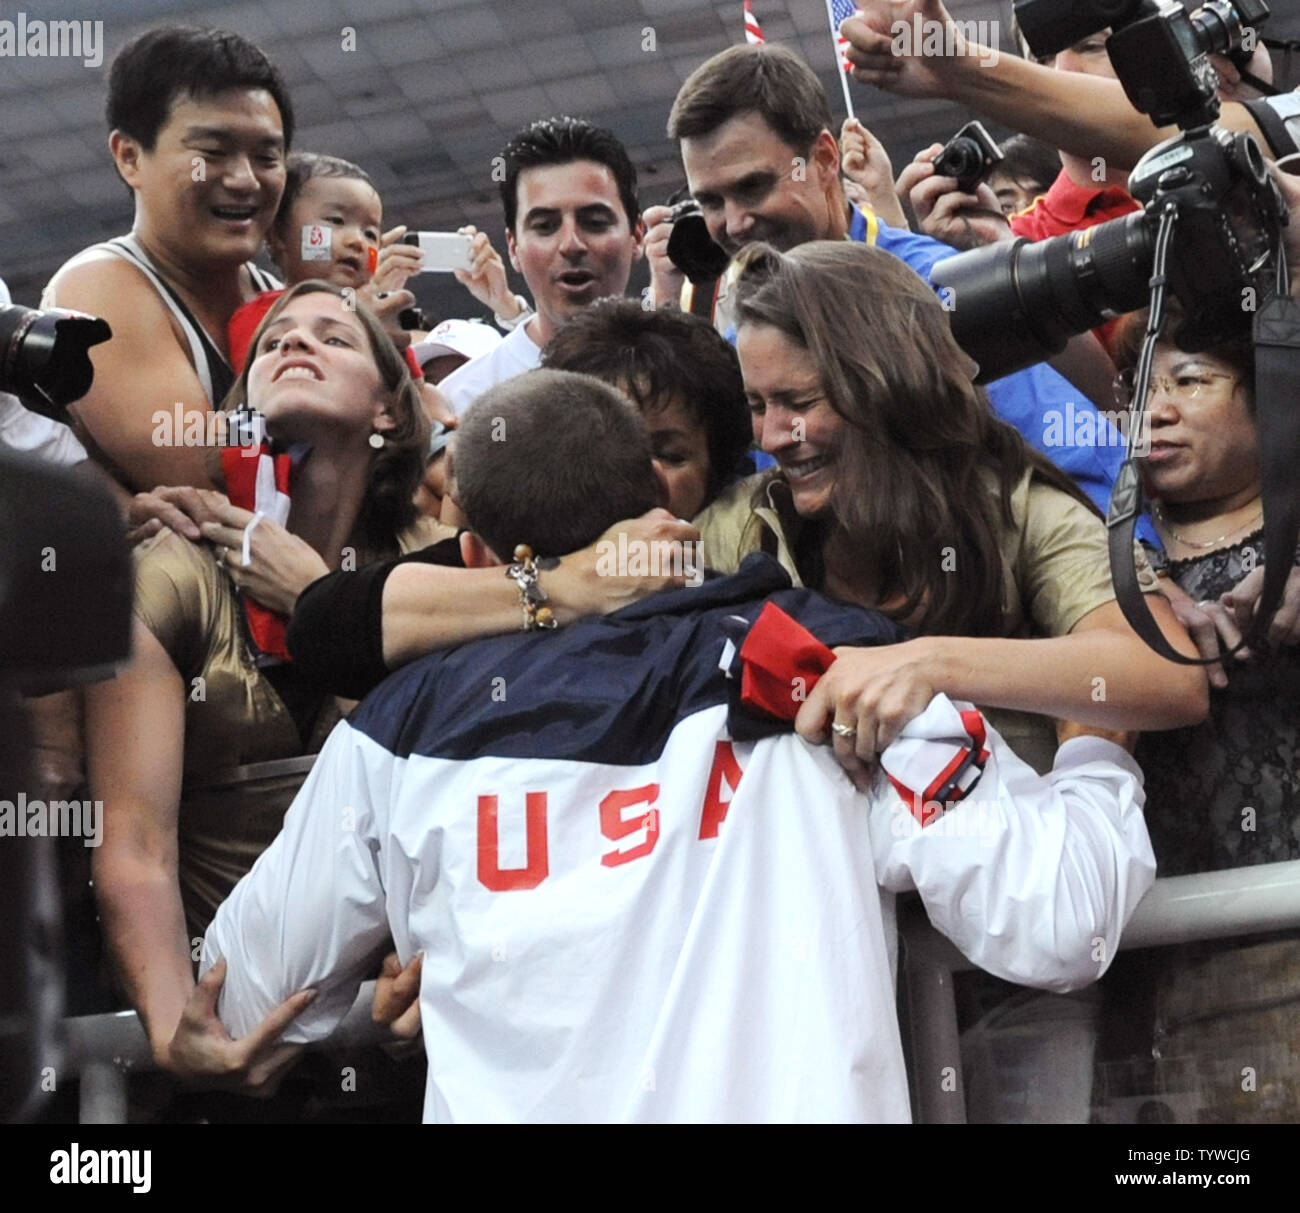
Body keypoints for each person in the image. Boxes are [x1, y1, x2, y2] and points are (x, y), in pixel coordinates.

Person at [194, 369, 1158, 1123]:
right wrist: (1096, 740)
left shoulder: (394, 734)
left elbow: (240, 997)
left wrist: (412, 949)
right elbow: (1060, 914)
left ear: (478, 558)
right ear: (659, 497)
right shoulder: (828, 663)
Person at [85, 281, 430, 1081]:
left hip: (403, 1041)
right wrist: (180, 1028)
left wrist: (442, 956)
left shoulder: (436, 564)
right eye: (273, 341)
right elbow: (134, 847)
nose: (295, 344)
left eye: (335, 338)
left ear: (390, 410)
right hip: (223, 1021)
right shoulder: (171, 572)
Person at [697, 240, 1207, 777]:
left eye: (800, 403)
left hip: (996, 851)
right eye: (757, 406)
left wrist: (931, 665)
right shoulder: (746, 523)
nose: (773, 436)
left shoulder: (1017, 508)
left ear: (893, 386)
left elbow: (1169, 672)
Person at [660, 41, 1136, 521]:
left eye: (753, 187)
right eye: (712, 203)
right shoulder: (736, 349)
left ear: (825, 159)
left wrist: (1130, 578)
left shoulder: (936, 292)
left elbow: (1091, 473)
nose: (736, 223)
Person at [284, 300, 753, 699]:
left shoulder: (750, 569)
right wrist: (566, 586)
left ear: (718, 472)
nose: (626, 468)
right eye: (595, 438)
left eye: (666, 453)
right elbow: (324, 624)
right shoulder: (490, 556)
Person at [1094, 307, 1300, 1123]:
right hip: (1144, 974)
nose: (1157, 410)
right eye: (1140, 388)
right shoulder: (1093, 555)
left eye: (1191, 381)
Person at [40, 25, 294, 491]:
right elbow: (217, 491)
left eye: (266, 156)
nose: (244, 179)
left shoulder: (285, 301)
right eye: (212, 153)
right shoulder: (99, 287)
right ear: (130, 156)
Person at [437, 116, 645, 413]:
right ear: (513, 248)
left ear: (637, 235)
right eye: (545, 226)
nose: (571, 244)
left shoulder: (688, 374)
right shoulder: (463, 400)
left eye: (595, 223)